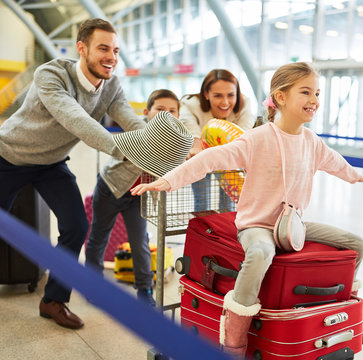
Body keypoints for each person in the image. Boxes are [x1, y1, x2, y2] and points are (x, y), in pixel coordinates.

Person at [131, 62, 363, 358]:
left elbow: (335, 161)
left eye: (317, 93)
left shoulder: (312, 142)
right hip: (257, 225)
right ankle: (234, 339)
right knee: (260, 253)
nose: (314, 100)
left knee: (355, 245)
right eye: (306, 92)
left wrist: (354, 175)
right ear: (281, 98)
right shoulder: (258, 139)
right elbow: (209, 160)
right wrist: (166, 181)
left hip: (291, 225)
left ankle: (344, 314)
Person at [0, 18, 147, 330]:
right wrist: (130, 151)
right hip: (8, 156)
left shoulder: (112, 86)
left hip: (51, 164)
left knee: (76, 226)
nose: (112, 57)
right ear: (82, 48)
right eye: (103, 48)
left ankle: (53, 300)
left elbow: (133, 124)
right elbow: (79, 122)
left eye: (116, 50)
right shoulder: (51, 74)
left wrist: (165, 146)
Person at [85, 89, 183, 307]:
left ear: (178, 115)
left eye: (172, 110)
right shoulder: (138, 129)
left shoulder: (175, 141)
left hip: (137, 196)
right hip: (110, 187)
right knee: (99, 236)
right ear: (147, 112)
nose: (165, 114)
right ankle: (92, 285)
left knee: (140, 242)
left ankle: (145, 289)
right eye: (160, 109)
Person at [179, 69, 254, 213]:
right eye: (218, 96)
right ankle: (202, 233)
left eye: (231, 95)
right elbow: (194, 135)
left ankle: (225, 232)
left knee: (228, 204)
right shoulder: (190, 105)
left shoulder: (244, 105)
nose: (225, 102)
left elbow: (241, 137)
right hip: (201, 153)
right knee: (202, 203)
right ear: (206, 94)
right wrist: (197, 149)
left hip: (228, 156)